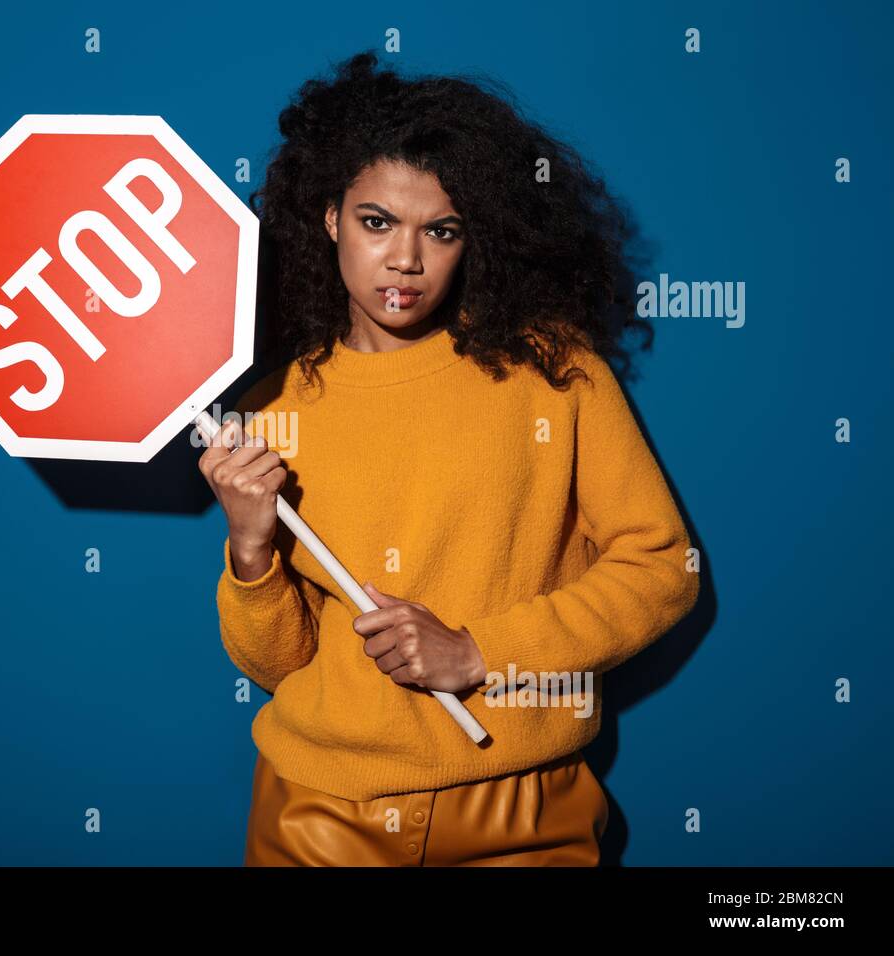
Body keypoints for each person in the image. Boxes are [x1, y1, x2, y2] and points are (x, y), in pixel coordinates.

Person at [197, 51, 699, 866]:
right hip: (321, 813)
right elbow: (280, 667)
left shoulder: (551, 371)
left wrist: (479, 654)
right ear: (329, 217)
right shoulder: (271, 406)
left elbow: (662, 565)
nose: (406, 259)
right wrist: (250, 552)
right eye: (376, 222)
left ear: (476, 237)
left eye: (441, 229)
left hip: (523, 806)